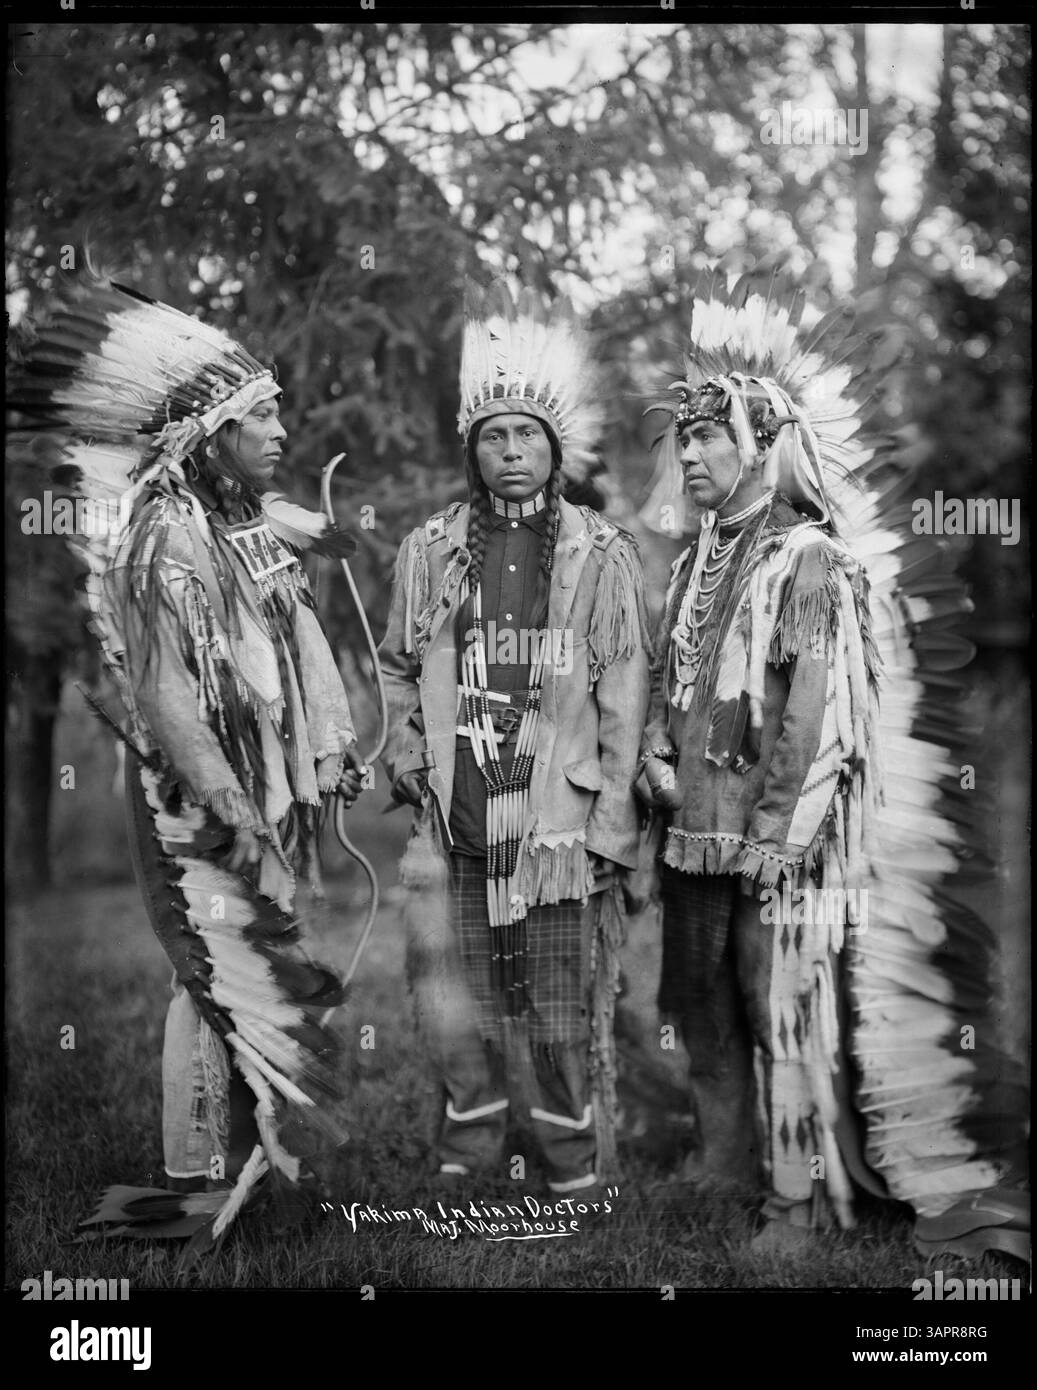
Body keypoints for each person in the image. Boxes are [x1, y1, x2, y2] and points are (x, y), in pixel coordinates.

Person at [639, 275, 1028, 1254]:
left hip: (782, 843)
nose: (687, 453)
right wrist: (651, 747)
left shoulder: (810, 562)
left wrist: (780, 834)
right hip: (692, 823)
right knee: (703, 1003)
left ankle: (794, 1202)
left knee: (786, 1014)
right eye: (681, 437)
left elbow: (822, 720)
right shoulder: (695, 561)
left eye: (709, 435)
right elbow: (676, 681)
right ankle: (723, 1162)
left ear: (763, 446)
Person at [16, 277, 367, 1247]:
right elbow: (168, 692)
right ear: (213, 434)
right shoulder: (165, 535)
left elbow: (295, 653)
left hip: (259, 786)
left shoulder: (244, 524)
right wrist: (228, 802)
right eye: (262, 419)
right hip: (201, 799)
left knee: (259, 956)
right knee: (210, 970)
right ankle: (194, 1171)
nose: (280, 434)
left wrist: (326, 750)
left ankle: (250, 1152)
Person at [379, 284, 650, 1194]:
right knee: (457, 1003)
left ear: (554, 448)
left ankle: (572, 1166)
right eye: (492, 436)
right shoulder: (429, 550)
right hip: (458, 813)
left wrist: (612, 819)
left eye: (525, 434)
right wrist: (409, 751)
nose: (510, 451)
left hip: (555, 824)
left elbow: (623, 693)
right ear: (472, 451)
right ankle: (467, 1155)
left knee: (558, 1006)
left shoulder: (597, 553)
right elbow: (394, 662)